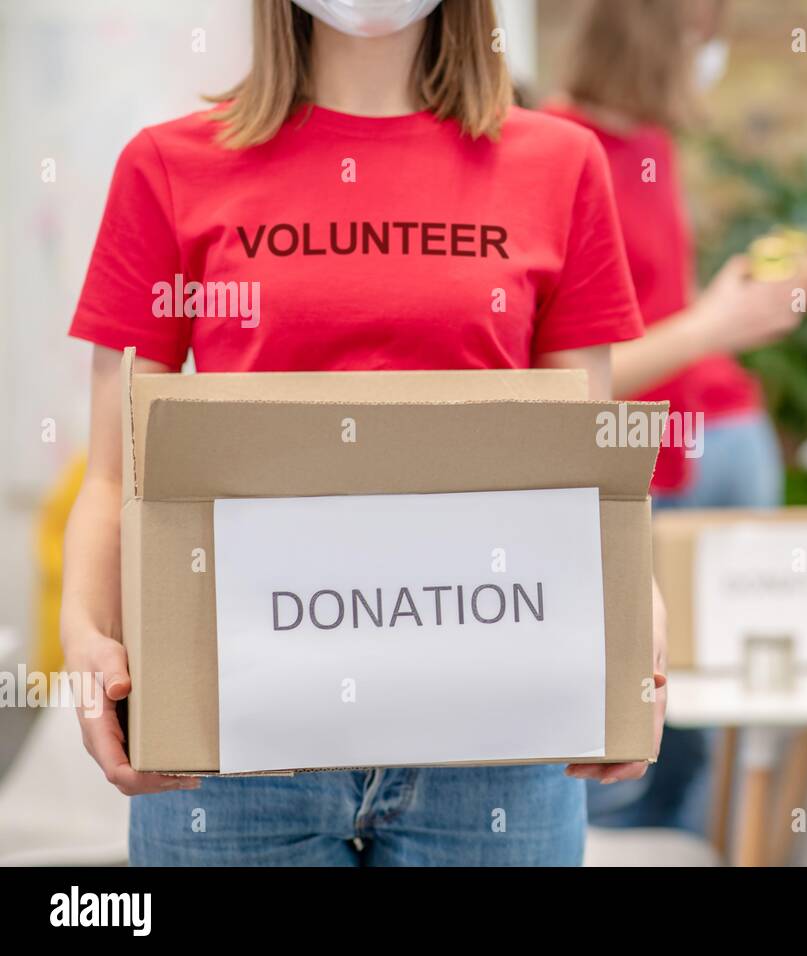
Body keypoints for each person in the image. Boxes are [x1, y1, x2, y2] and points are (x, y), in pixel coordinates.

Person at [60, 0, 665, 866]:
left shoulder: (560, 165)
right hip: (235, 734)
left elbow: (589, 472)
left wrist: (634, 624)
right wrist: (87, 637)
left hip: (497, 731)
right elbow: (115, 475)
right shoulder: (167, 166)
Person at [544, 0, 807, 833]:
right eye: (697, 33)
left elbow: (662, 312)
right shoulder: (559, 150)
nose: (708, 54)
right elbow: (568, 370)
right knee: (625, 744)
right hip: (625, 472)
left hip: (699, 448)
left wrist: (742, 301)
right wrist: (716, 326)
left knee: (703, 729)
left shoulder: (652, 149)